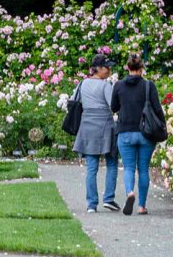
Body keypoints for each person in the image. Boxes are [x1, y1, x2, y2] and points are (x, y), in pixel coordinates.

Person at [110, 53, 165, 216]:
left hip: (125, 132)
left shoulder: (119, 85)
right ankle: (141, 206)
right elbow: (157, 109)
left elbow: (114, 107)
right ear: (141, 69)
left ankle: (129, 193)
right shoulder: (149, 86)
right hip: (146, 133)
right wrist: (162, 127)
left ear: (127, 68)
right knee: (143, 169)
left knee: (128, 167)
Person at [70, 55, 121, 212]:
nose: (109, 70)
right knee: (112, 163)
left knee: (91, 167)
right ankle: (109, 199)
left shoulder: (82, 84)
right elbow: (113, 105)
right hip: (105, 126)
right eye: (106, 67)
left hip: (87, 126)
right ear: (98, 69)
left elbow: (72, 100)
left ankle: (91, 204)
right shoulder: (105, 86)